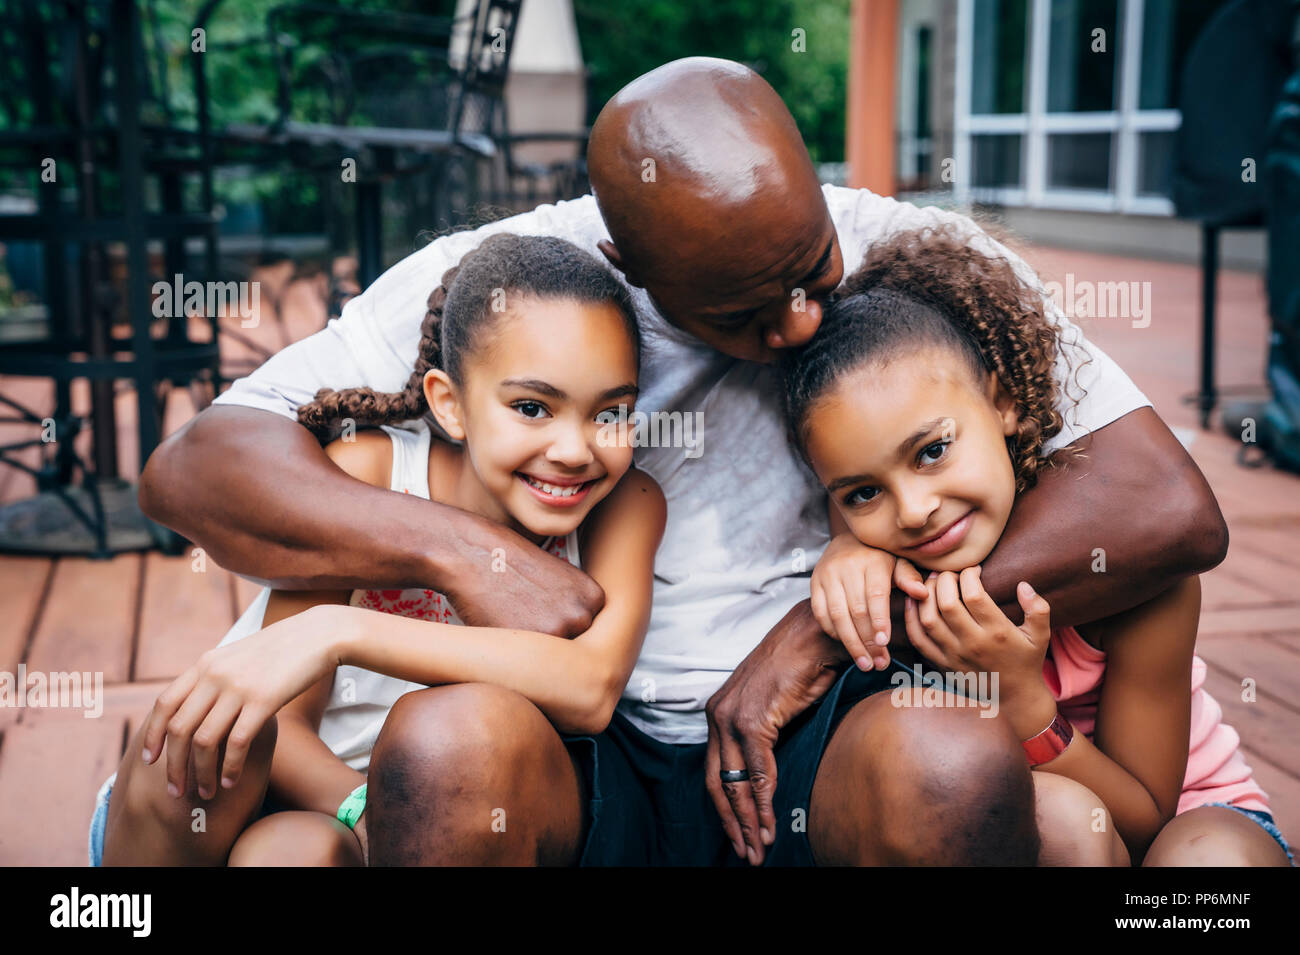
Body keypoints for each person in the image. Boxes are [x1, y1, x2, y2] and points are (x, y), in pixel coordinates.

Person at [136, 58, 1227, 865]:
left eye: (812, 269)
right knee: (446, 745)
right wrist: (470, 554)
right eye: (745, 312)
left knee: (949, 760)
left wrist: (821, 632)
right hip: (569, 752)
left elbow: (1162, 507)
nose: (801, 324)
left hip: (825, 732)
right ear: (631, 268)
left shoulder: (904, 256)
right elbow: (197, 468)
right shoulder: (521, 290)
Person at [92, 235, 665, 865]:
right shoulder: (370, 474)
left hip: (461, 805)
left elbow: (590, 688)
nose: (575, 449)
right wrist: (361, 807)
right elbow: (280, 727)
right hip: (284, 798)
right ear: (450, 404)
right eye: (532, 407)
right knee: (289, 849)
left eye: (611, 413)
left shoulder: (625, 504)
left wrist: (341, 632)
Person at [796, 225, 1292, 867]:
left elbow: (1145, 822)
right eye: (862, 493)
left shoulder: (1133, 574)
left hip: (1179, 818)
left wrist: (1024, 700)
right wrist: (844, 554)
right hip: (1020, 829)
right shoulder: (874, 563)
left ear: (1002, 403)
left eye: (933, 451)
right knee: (1062, 823)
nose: (914, 511)